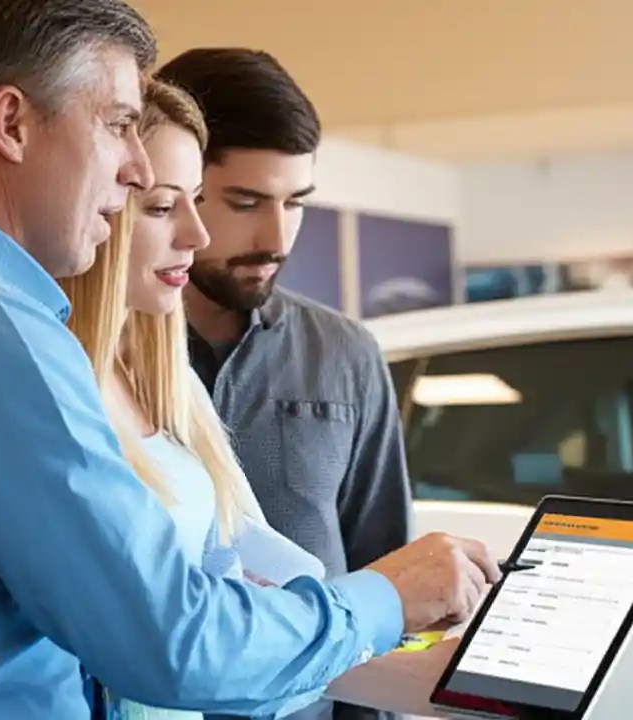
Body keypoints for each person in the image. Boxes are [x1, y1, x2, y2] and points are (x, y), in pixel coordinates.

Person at [0, 2, 498, 718]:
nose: (135, 167)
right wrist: (386, 596)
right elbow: (173, 644)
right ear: (11, 122)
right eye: (117, 126)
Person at [59, 79, 457, 720]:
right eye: (164, 207)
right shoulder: (40, 384)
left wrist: (423, 678)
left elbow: (249, 590)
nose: (195, 234)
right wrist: (387, 609)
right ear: (100, 200)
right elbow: (171, 643)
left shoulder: (170, 380)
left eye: (295, 203)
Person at [156, 48, 416, 720]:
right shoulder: (95, 358)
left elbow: (385, 576)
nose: (276, 237)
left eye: (295, 203)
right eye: (245, 203)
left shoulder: (346, 355)